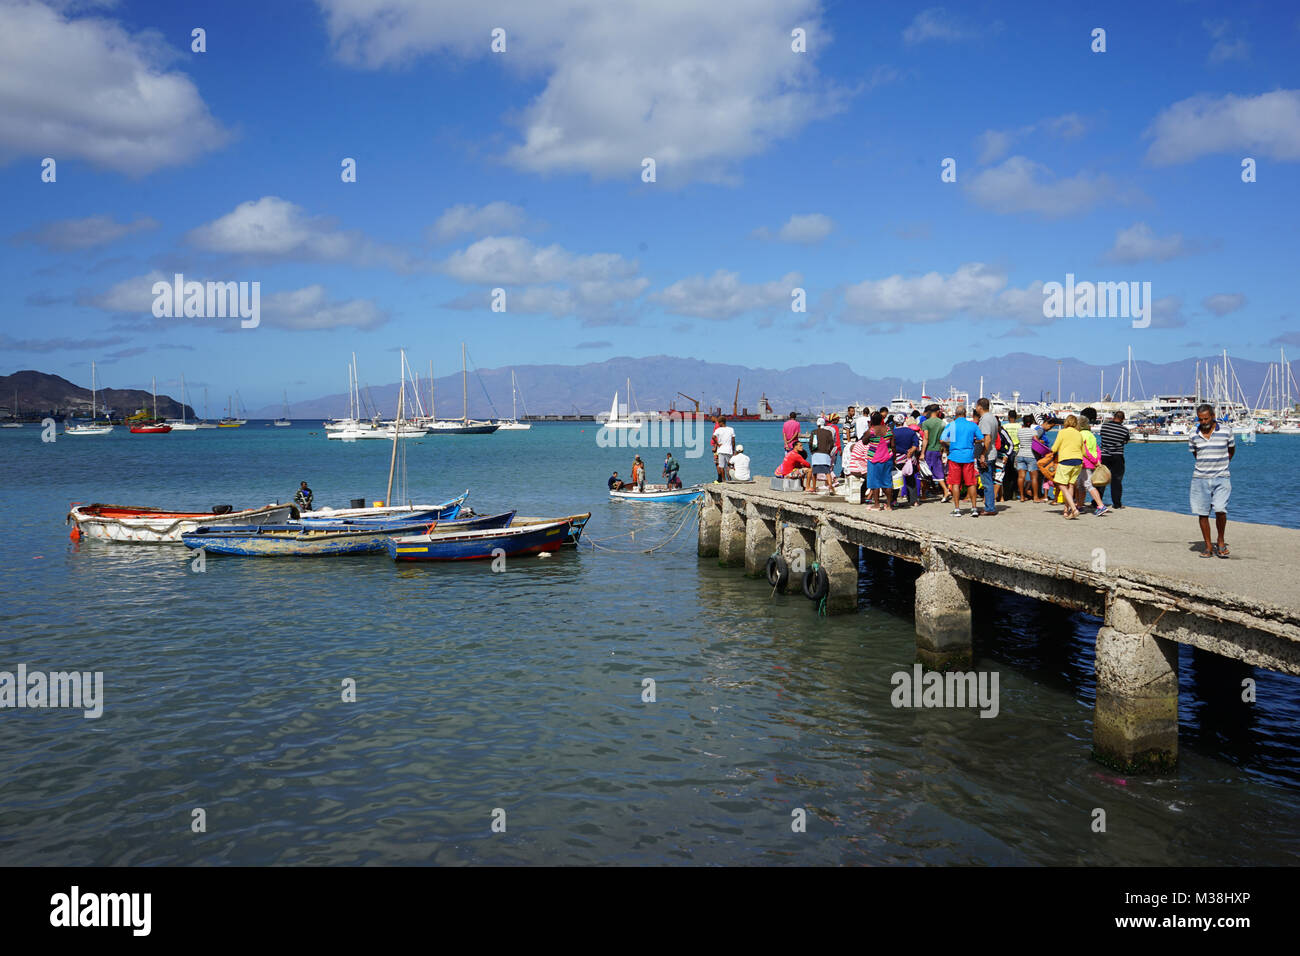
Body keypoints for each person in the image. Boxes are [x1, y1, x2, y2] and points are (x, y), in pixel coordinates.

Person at [1189, 403, 1235, 558]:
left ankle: (1220, 541)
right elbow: (1196, 454)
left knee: (1220, 509)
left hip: (1222, 477)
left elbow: (1231, 451)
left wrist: (1221, 464)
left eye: (1206, 419)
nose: (1203, 422)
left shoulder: (1226, 431)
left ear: (1213, 416)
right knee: (1202, 513)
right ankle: (1208, 546)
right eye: (1200, 420)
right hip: (1200, 478)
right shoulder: (1193, 434)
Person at [941, 405, 981, 516]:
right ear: (965, 413)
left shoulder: (952, 425)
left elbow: (942, 439)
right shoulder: (972, 425)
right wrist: (973, 442)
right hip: (968, 456)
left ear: (955, 413)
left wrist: (949, 446)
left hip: (954, 456)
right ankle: (974, 508)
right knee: (971, 482)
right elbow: (981, 438)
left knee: (955, 483)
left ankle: (957, 509)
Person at [1048, 414, 1085, 518]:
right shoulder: (1079, 434)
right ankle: (1066, 510)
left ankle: (1073, 508)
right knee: (1071, 485)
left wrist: (1049, 452)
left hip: (1066, 461)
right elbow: (1083, 450)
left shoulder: (1062, 432)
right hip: (1078, 461)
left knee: (1061, 484)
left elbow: (1055, 448)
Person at [1098, 410, 1130, 508]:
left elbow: (1102, 436)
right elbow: (1125, 441)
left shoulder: (1104, 426)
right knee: (1117, 480)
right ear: (1122, 419)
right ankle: (1117, 504)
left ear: (1113, 417)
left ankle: (1097, 502)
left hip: (1104, 455)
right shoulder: (1124, 430)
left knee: (1101, 479)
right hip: (1117, 456)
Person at [974, 398, 1000, 516]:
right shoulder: (993, 418)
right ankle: (989, 505)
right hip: (992, 452)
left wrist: (983, 454)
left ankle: (990, 507)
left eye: (976, 406)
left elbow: (987, 439)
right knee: (989, 480)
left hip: (987, 454)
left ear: (980, 407)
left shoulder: (985, 419)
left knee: (987, 482)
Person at [1078, 417, 1108, 515]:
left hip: (1086, 462)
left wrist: (1094, 460)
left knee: (1088, 485)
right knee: (1081, 485)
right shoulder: (1091, 435)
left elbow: (1084, 451)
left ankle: (1100, 505)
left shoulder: (1080, 435)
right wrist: (1098, 460)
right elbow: (1097, 449)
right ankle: (1080, 506)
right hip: (1092, 462)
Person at [865, 412, 894, 510]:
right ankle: (889, 505)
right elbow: (893, 445)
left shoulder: (871, 431)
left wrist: (869, 428)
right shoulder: (889, 430)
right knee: (887, 481)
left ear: (872, 420)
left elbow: (864, 441)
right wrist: (894, 459)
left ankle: (877, 504)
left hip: (874, 459)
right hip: (887, 458)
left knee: (875, 482)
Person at [892, 414, 922, 507]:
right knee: (911, 480)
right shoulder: (910, 431)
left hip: (897, 459)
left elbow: (893, 446)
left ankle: (893, 500)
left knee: (896, 480)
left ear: (895, 422)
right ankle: (914, 501)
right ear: (904, 421)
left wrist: (903, 451)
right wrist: (910, 451)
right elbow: (916, 443)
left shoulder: (893, 432)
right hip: (910, 459)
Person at [920, 406, 948, 502]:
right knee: (939, 473)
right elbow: (944, 439)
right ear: (937, 412)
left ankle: (923, 495)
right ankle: (945, 490)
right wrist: (944, 450)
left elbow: (926, 438)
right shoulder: (942, 423)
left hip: (929, 450)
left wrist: (922, 453)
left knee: (924, 473)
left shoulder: (926, 423)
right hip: (938, 450)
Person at [1015, 413, 1043, 502]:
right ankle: (1035, 497)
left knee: (1021, 477)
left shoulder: (1019, 431)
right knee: (1034, 478)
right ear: (1031, 422)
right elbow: (1037, 443)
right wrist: (1041, 442)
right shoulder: (1033, 432)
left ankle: (1022, 497)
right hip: (1031, 455)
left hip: (1020, 454)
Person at [808, 417, 836, 493]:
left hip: (816, 454)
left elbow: (811, 443)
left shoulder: (814, 432)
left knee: (814, 472)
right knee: (827, 472)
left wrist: (812, 452)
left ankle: (814, 488)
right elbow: (832, 444)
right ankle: (830, 487)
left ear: (817, 424)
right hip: (825, 455)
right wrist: (828, 452)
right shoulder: (828, 432)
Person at [847, 429, 872, 505]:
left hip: (853, 467)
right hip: (858, 468)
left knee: (870, 477)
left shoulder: (858, 443)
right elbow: (868, 458)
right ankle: (868, 497)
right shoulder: (866, 445)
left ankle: (863, 495)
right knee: (873, 477)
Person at [713, 417, 736, 482]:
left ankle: (724, 480)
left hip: (721, 450)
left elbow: (713, 437)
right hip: (729, 450)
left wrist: (717, 444)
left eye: (718, 423)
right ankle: (730, 479)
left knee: (721, 466)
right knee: (730, 466)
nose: (718, 424)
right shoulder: (731, 429)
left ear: (721, 422)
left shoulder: (718, 430)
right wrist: (733, 450)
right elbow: (733, 441)